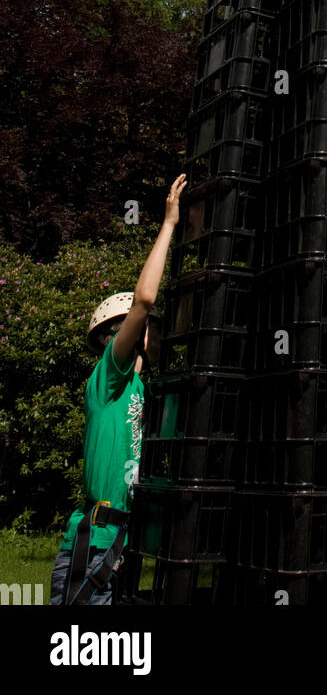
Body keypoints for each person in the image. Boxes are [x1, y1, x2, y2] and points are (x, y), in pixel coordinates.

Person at [50, 174, 186, 605]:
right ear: (129, 332)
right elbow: (144, 300)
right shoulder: (110, 376)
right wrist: (168, 224)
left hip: (120, 545)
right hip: (93, 547)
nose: (161, 335)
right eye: (155, 329)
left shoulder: (144, 389)